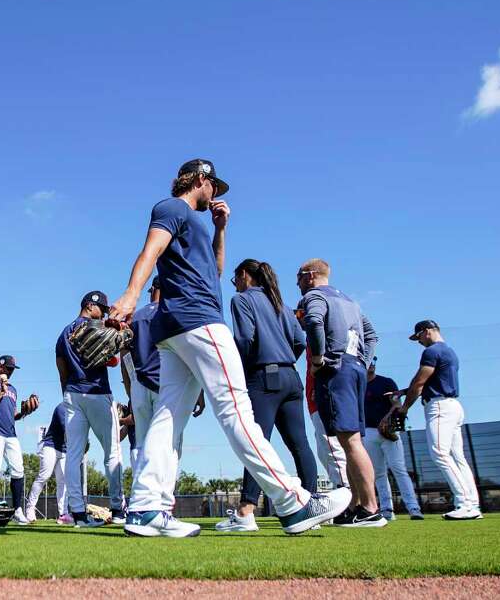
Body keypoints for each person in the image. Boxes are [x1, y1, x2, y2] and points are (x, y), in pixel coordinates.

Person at [108, 159, 351, 537]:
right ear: (201, 180)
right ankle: (293, 502)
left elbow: (215, 273)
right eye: (214, 187)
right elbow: (150, 251)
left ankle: (145, 508)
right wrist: (131, 293)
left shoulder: (198, 224)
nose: (216, 195)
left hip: (175, 329)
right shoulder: (172, 208)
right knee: (236, 409)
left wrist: (221, 229)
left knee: (169, 414)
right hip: (198, 321)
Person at [217, 259, 318, 532]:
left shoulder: (242, 301)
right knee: (300, 445)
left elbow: (245, 339)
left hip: (263, 377)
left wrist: (244, 369)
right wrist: (283, 359)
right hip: (291, 377)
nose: (235, 285)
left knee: (255, 443)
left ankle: (246, 512)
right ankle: (309, 507)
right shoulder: (282, 306)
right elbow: (300, 342)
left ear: (243, 275)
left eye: (235, 279)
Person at [296, 258, 384, 528]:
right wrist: (364, 362)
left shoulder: (315, 296)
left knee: (350, 442)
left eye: (299, 276)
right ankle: (357, 506)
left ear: (311, 275)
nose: (298, 283)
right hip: (355, 369)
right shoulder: (349, 301)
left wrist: (319, 358)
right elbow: (371, 334)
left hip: (336, 370)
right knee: (350, 441)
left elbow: (313, 321)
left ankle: (370, 509)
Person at [119, 276, 205, 498]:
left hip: (139, 384)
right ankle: (164, 500)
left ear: (153, 291)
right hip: (167, 386)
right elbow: (191, 355)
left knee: (141, 444)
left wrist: (131, 391)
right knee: (170, 442)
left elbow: (125, 356)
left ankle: (140, 499)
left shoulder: (135, 317)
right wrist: (200, 392)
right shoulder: (174, 313)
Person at [397, 320, 482, 520]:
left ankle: (464, 503)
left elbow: (419, 382)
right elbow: (433, 381)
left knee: (439, 454)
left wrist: (404, 407)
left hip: (440, 407)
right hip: (452, 405)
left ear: (427, 331)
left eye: (418, 337)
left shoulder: (432, 351)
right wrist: (403, 391)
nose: (418, 341)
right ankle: (473, 504)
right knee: (457, 457)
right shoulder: (449, 351)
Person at [57, 290, 127, 527]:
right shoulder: (98, 327)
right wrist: (118, 328)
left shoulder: (63, 333)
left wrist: (67, 393)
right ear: (90, 306)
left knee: (74, 454)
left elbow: (61, 368)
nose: (104, 313)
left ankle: (77, 514)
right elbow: (117, 353)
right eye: (102, 309)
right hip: (97, 393)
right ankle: (118, 510)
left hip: (72, 394)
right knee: (113, 452)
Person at [0, 355, 37, 525]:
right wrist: (1, 392)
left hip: (10, 433)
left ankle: (17, 510)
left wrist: (25, 413)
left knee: (18, 470)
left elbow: (12, 415)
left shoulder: (14, 389)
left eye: (12, 369)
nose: (11, 372)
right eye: (8, 368)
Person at [362, 357, 423, 520]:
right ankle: (387, 509)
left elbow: (397, 404)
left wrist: (387, 418)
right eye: (369, 361)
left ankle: (413, 507)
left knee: (398, 468)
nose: (372, 364)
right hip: (368, 432)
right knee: (379, 472)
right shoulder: (358, 385)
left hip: (389, 431)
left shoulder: (386, 382)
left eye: (374, 361)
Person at [307, 355, 349, 488]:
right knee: (323, 452)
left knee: (332, 447)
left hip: (324, 393)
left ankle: (346, 492)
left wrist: (322, 386)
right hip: (315, 398)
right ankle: (343, 487)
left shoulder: (322, 335)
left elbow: (333, 355)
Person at [25, 402, 70, 524]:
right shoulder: (61, 407)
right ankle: (30, 508)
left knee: (63, 481)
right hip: (50, 447)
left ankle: (63, 514)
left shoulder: (78, 409)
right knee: (44, 477)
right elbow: (66, 430)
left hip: (65, 450)